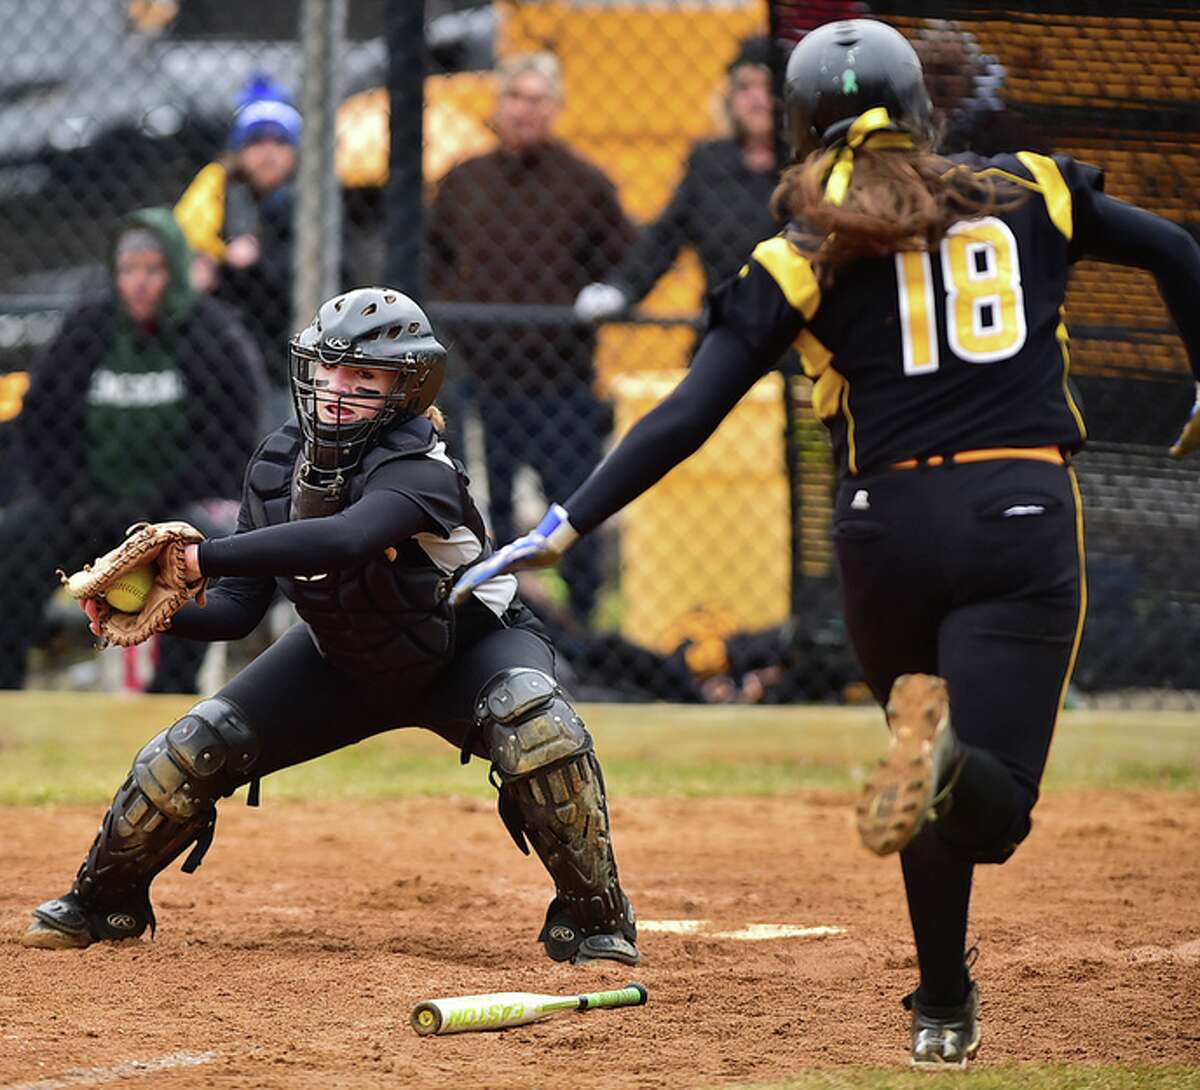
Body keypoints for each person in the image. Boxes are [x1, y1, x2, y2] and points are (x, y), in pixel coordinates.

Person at [449, 19, 1200, 1068]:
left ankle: (942, 1001)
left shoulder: (802, 245)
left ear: (804, 129)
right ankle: (945, 787)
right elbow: (1177, 249)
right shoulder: (1024, 186)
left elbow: (685, 414)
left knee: (928, 739)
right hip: (1016, 510)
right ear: (925, 113)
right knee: (993, 803)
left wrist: (562, 524)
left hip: (882, 529)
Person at [20, 287, 640, 970]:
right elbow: (238, 610)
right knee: (193, 746)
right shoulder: (279, 463)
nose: (338, 389)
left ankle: (597, 915)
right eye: (328, 369)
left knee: (534, 722)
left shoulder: (419, 467)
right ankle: (102, 899)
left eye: (364, 377)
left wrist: (201, 556)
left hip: (467, 651)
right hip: (340, 660)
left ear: (406, 389)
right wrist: (164, 609)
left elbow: (343, 540)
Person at [0, 208, 266, 692]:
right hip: (87, 509)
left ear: (175, 271)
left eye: (153, 270)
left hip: (172, 514)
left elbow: (231, 443)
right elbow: (41, 422)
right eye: (128, 271)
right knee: (16, 538)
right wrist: (79, 499)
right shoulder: (88, 330)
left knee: (204, 544)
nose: (139, 283)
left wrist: (157, 510)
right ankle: (7, 688)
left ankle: (170, 692)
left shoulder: (213, 334)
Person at [428, 52, 635, 626]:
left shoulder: (586, 184)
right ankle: (483, 617)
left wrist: (604, 296)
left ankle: (586, 624)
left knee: (574, 505)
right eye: (515, 97)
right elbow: (432, 258)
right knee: (477, 505)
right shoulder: (463, 181)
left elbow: (626, 261)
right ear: (498, 106)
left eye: (537, 99)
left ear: (556, 109)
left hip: (561, 380)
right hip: (482, 379)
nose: (524, 110)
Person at [573, 37, 784, 329]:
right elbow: (665, 237)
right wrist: (622, 290)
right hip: (725, 325)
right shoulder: (709, 164)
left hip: (797, 332)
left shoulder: (807, 163)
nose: (757, 99)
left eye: (767, 86)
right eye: (745, 87)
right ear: (729, 97)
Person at [175, 72, 301, 419]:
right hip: (226, 356)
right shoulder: (219, 198)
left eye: (280, 141)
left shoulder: (307, 203)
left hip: (285, 353)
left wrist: (252, 263)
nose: (269, 152)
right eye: (257, 141)